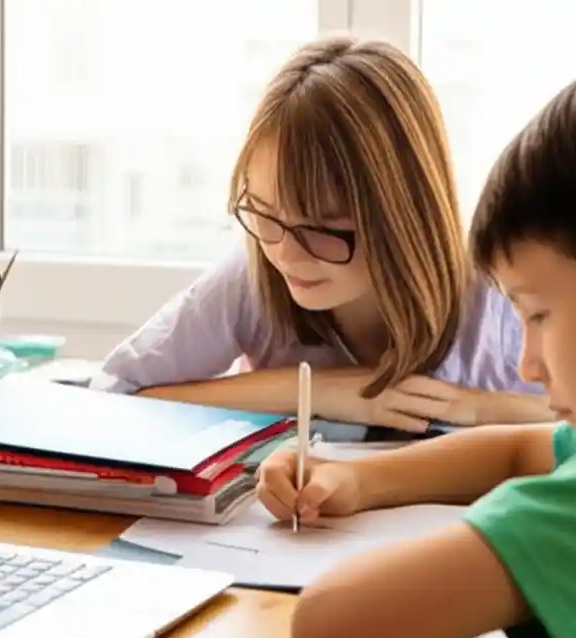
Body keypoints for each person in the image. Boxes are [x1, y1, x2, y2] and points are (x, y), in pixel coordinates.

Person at [257, 42, 576, 638]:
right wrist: (356, 479)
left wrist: (507, 539)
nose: (528, 364)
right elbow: (518, 450)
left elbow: (330, 630)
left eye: (538, 314)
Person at [88, 37, 551, 433]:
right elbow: (112, 393)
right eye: (264, 211)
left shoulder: (502, 294)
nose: (286, 254)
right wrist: (311, 390)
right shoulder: (253, 272)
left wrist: (481, 409)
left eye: (323, 228)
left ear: (405, 217)